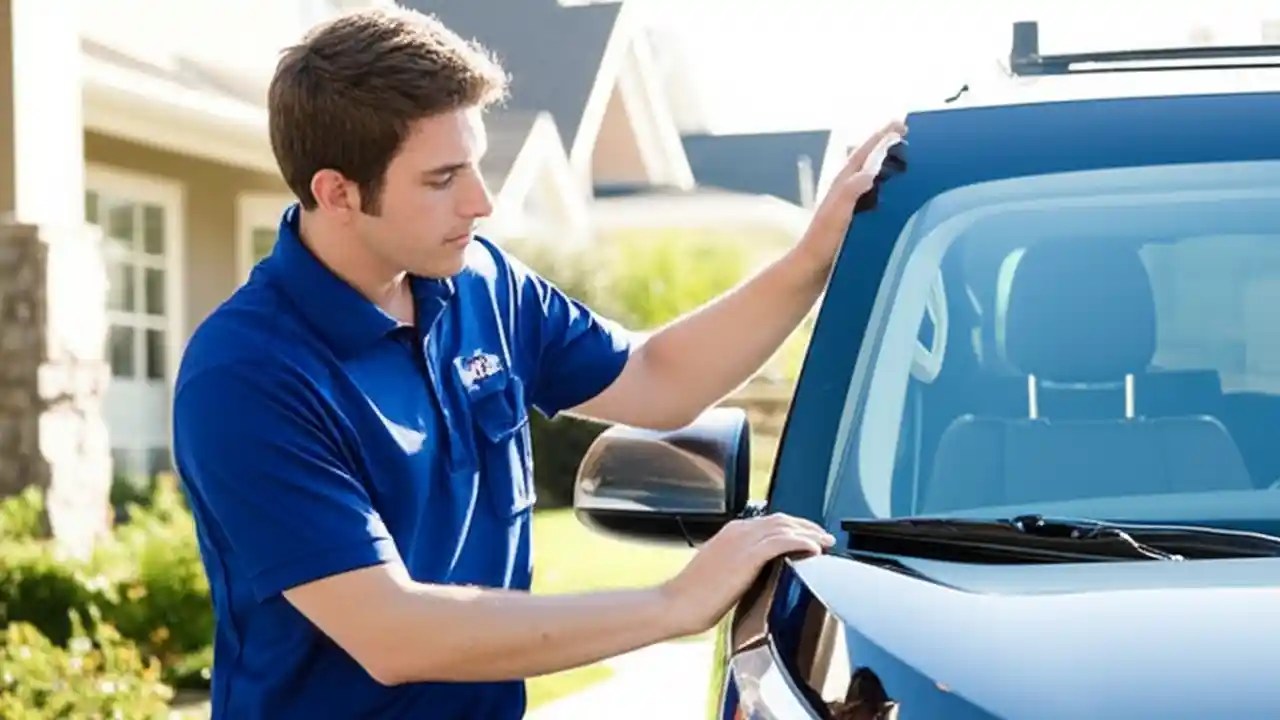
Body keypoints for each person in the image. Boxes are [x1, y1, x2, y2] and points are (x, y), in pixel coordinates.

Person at [171, 5, 905, 719]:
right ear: (337, 192)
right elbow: (391, 632)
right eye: (442, 178)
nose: (481, 202)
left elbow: (657, 379)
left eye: (477, 166)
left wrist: (813, 260)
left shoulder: (483, 284)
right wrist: (673, 604)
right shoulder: (246, 376)